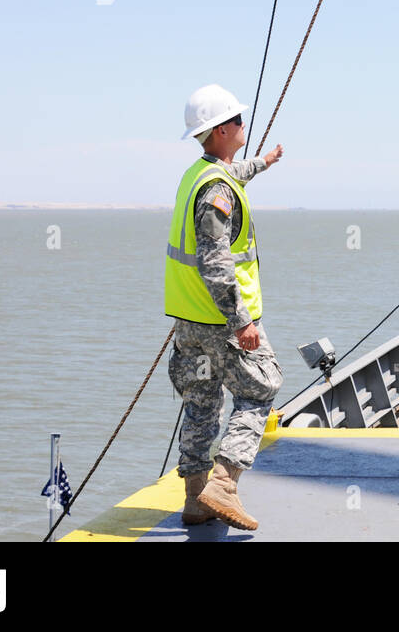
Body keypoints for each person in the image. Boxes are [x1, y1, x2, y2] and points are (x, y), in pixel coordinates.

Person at [164, 84, 285, 530]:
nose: (242, 125)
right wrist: (243, 322)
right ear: (218, 131)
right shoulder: (217, 191)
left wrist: (264, 163)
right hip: (221, 318)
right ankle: (225, 483)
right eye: (236, 121)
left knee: (200, 401)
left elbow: (232, 176)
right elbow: (216, 262)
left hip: (189, 321)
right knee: (261, 389)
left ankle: (196, 500)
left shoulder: (201, 175)